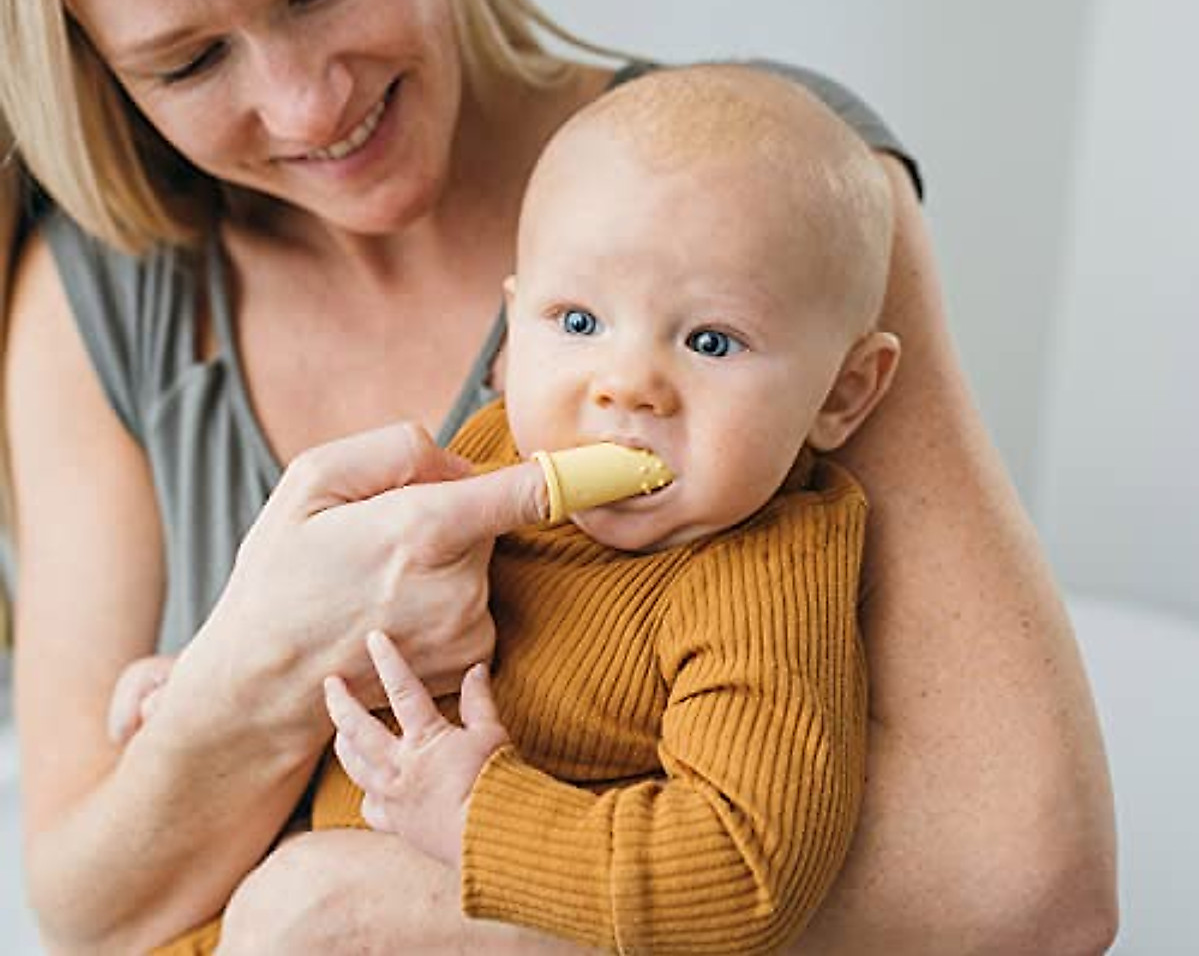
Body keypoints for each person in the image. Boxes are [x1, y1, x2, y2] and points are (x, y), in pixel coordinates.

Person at [0, 0, 1116, 953]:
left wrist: (376, 907)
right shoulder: (103, 294)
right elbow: (83, 907)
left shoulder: (773, 197)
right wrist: (237, 683)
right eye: (188, 62)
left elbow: (1033, 883)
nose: (306, 104)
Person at [114, 65, 902, 952]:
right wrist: (214, 676)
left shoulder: (764, 577)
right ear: (512, 329)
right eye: (576, 323)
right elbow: (345, 630)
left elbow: (745, 870)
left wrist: (477, 810)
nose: (626, 386)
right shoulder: (489, 459)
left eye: (710, 341)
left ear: (842, 393)